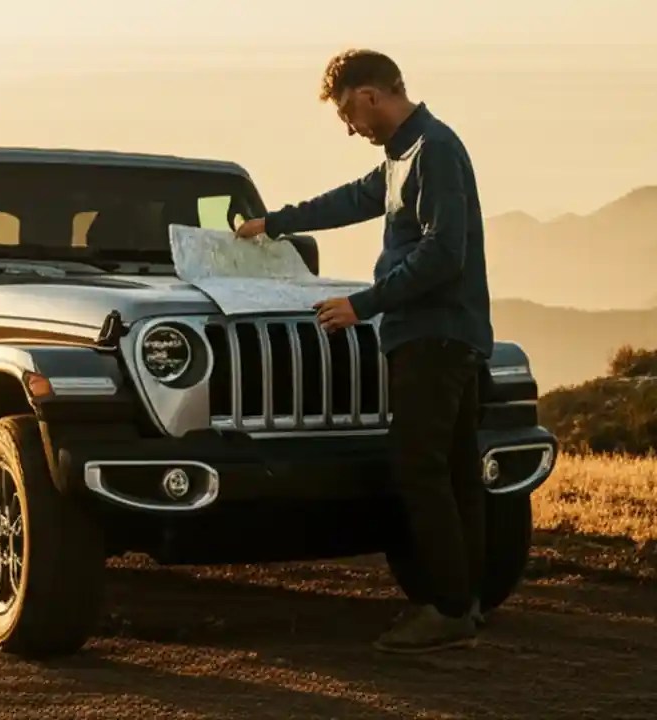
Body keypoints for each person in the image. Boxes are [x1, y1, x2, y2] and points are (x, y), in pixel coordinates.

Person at [234, 49, 493, 654]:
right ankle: (465, 602)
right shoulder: (401, 157)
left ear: (372, 95)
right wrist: (273, 223)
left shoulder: (434, 150)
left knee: (421, 470)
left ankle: (447, 610)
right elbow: (352, 199)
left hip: (436, 336)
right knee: (454, 474)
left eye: (350, 113)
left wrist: (363, 303)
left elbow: (442, 253)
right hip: (436, 334)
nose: (351, 127)